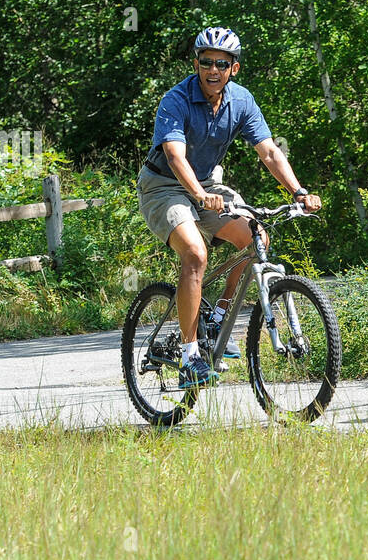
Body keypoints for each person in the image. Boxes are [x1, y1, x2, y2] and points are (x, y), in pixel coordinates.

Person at [137, 26, 322, 390]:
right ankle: (189, 356)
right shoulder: (175, 100)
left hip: (207, 186)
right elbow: (175, 156)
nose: (213, 69)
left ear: (233, 68)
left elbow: (269, 152)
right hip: (163, 185)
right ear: (196, 64)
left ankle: (218, 316)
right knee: (195, 253)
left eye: (222, 63)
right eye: (206, 62)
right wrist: (198, 195)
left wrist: (299, 191)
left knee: (256, 238)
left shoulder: (241, 101)